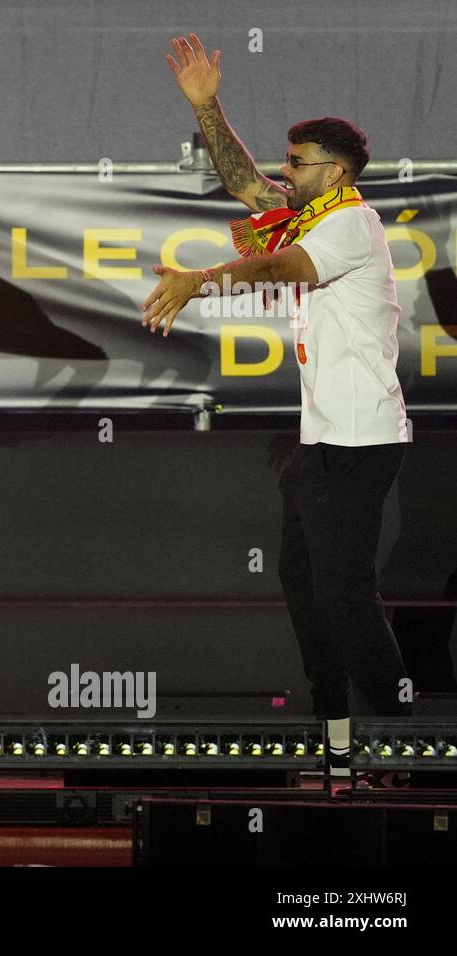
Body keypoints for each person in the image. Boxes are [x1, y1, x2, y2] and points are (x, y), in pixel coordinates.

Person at [142, 34, 412, 773]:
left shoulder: (350, 222)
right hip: (317, 441)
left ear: (340, 172)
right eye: (288, 162)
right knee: (305, 588)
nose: (283, 175)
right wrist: (207, 107)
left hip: (358, 441)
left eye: (297, 164)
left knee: (345, 594)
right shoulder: (308, 210)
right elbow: (245, 186)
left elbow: (277, 263)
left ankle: (407, 742)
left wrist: (201, 280)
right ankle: (337, 742)